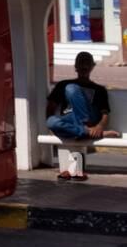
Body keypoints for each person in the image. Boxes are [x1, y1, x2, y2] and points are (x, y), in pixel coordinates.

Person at [46, 51, 119, 181]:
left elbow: (105, 113)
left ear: (92, 66)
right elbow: (51, 107)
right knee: (51, 122)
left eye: (87, 63)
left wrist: (99, 126)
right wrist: (51, 128)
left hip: (90, 121)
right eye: (81, 63)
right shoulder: (62, 84)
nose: (84, 66)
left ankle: (72, 168)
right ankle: (76, 165)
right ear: (75, 66)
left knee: (71, 89)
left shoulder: (99, 89)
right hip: (71, 122)